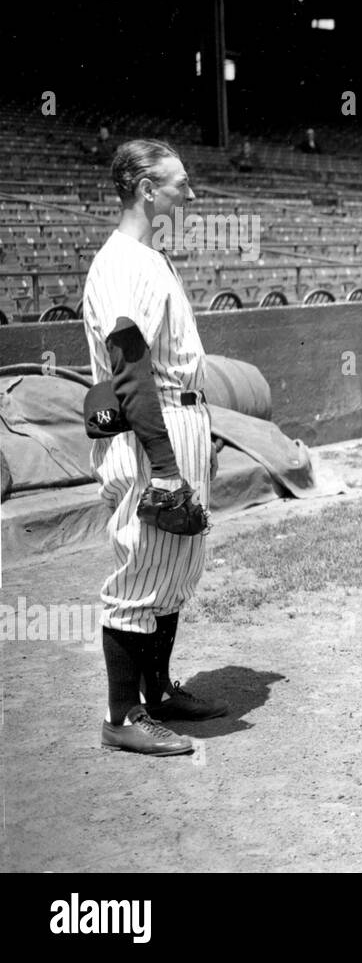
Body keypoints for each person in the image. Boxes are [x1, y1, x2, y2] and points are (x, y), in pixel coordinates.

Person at [81, 139, 227, 756]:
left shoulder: (152, 256)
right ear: (146, 189)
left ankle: (159, 692)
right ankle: (122, 717)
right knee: (141, 570)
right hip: (151, 433)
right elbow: (128, 368)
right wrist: (166, 466)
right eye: (180, 185)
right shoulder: (124, 262)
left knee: (177, 568)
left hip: (178, 422)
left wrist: (199, 441)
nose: (189, 196)